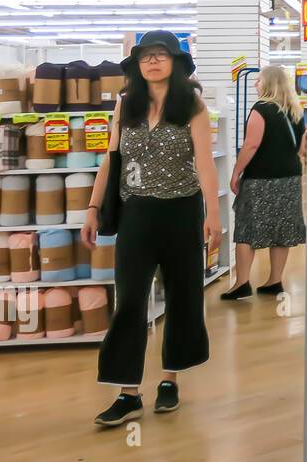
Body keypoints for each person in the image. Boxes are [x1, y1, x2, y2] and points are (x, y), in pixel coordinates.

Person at [84, 32, 221, 426]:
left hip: (181, 212)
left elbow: (205, 163)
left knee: (181, 297)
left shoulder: (191, 104)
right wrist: (93, 207)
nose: (154, 62)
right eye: (147, 57)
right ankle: (128, 392)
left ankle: (169, 380)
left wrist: (213, 215)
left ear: (175, 63)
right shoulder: (126, 105)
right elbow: (111, 160)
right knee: (129, 300)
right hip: (136, 214)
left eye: (162, 56)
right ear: (137, 65)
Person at [222, 65, 307, 301]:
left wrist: (236, 172)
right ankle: (274, 280)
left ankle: (241, 283)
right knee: (281, 229)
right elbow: (301, 149)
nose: (255, 84)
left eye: (258, 81)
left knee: (246, 229)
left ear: (268, 83)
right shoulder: (295, 111)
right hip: (290, 178)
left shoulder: (261, 108)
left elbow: (251, 145)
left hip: (260, 178)